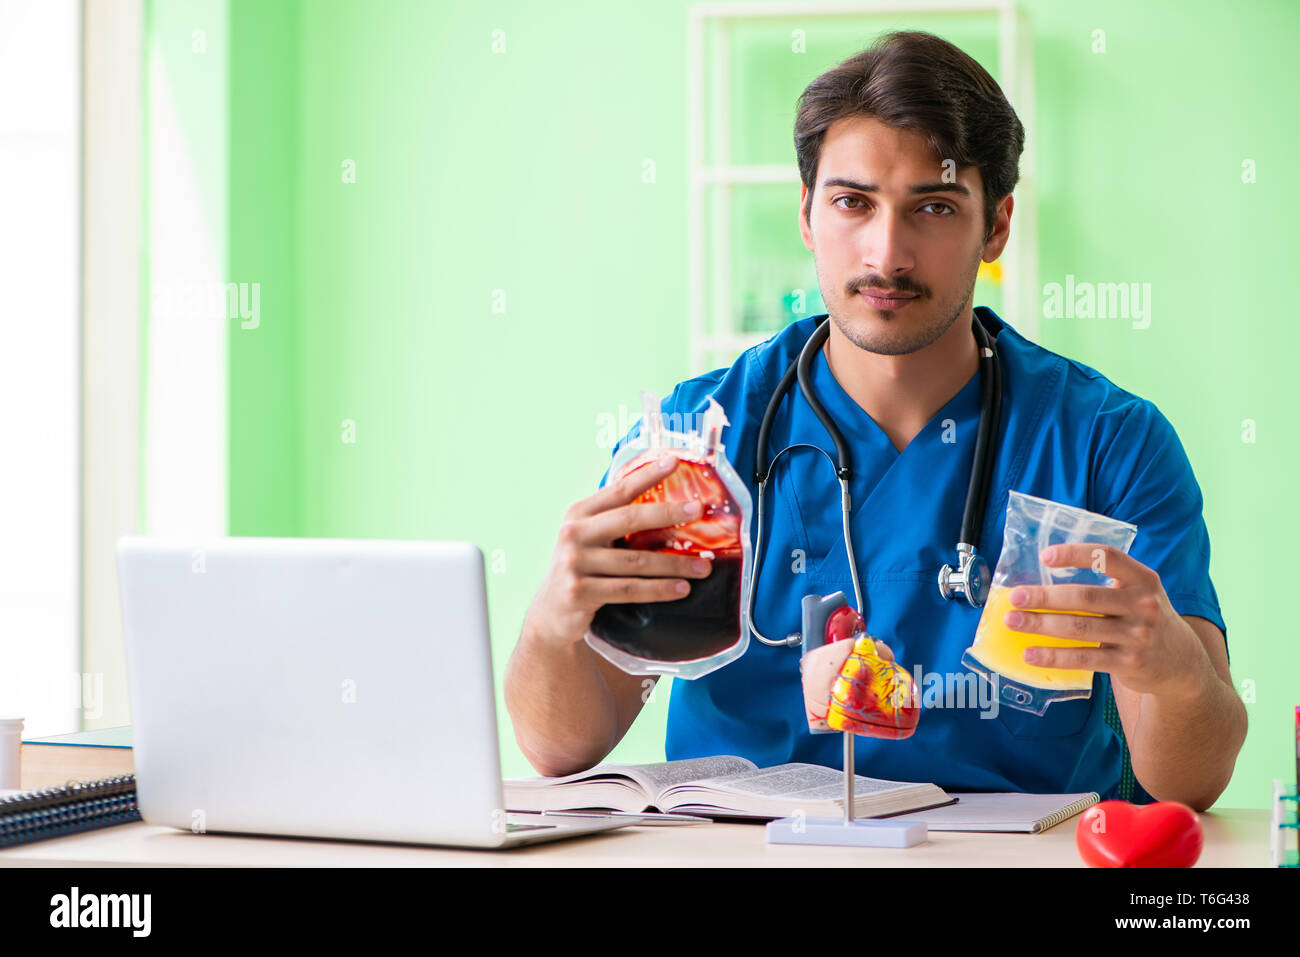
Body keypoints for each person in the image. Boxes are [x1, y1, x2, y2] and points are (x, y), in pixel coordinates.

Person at [504, 30, 1246, 810]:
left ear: (995, 226)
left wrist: (1170, 665)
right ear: (806, 213)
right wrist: (555, 620)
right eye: (852, 202)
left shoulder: (1106, 441)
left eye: (932, 206)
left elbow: (1190, 782)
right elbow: (561, 746)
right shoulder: (697, 438)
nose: (886, 253)